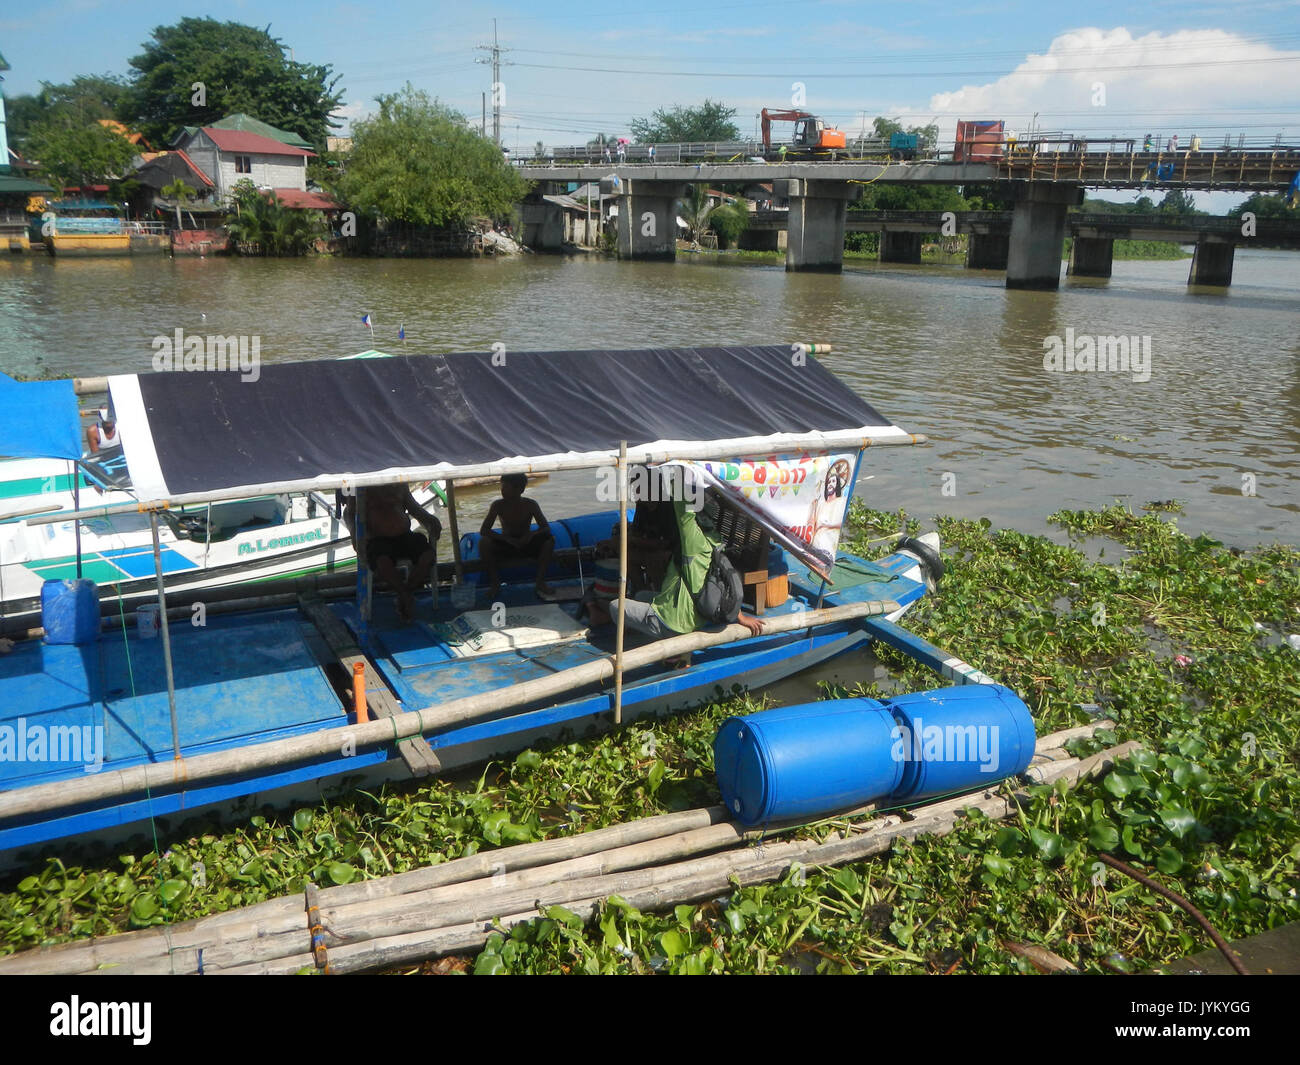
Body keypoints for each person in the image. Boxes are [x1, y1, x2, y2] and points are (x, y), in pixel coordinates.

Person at [586, 477, 764, 641]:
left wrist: (675, 475)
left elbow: (683, 512)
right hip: (695, 616)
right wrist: (740, 616)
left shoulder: (693, 541)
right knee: (641, 595)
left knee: (615, 606)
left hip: (671, 622)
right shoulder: (714, 540)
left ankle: (637, 636)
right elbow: (723, 581)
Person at [344, 484, 441, 622]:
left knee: (428, 556)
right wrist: (354, 533)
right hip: (377, 539)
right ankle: (405, 595)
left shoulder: (399, 483)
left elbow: (414, 507)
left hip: (405, 535)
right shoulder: (360, 485)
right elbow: (349, 513)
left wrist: (430, 519)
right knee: (382, 563)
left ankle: (406, 593)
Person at [479, 473, 555, 599]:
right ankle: (495, 584)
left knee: (549, 540)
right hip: (507, 544)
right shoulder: (498, 505)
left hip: (526, 543)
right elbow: (484, 530)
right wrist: (507, 539)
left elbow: (546, 527)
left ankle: (540, 582)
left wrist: (531, 535)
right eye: (502, 487)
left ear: (520, 489)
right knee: (483, 542)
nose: (502, 490)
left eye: (506, 487)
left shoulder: (531, 504)